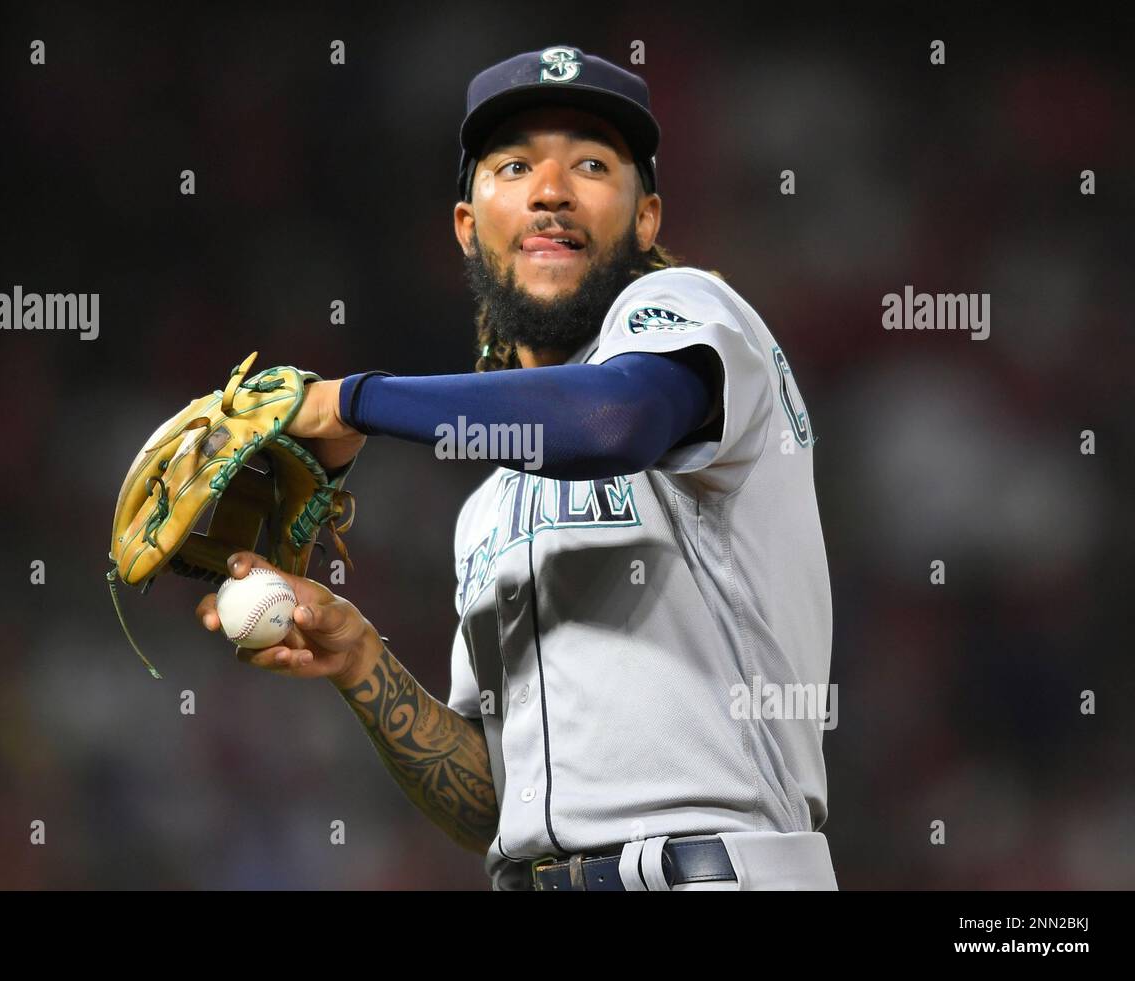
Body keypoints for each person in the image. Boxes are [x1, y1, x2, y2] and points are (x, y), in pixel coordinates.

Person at [196, 45, 837, 891]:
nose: (551, 190)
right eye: (514, 165)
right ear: (468, 224)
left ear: (647, 219)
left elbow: (615, 420)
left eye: (593, 164)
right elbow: (491, 804)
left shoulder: (690, 316)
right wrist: (360, 660)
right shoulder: (489, 507)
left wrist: (348, 402)